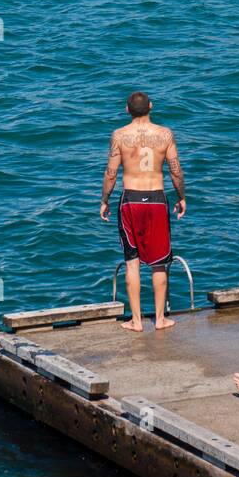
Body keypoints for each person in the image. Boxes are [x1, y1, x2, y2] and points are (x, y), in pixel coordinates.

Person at [100, 91, 185, 331]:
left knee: (132, 263)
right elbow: (176, 171)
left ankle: (136, 321)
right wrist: (181, 197)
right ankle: (159, 319)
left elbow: (111, 173)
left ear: (127, 110)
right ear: (151, 106)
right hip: (157, 200)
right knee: (159, 264)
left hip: (130, 201)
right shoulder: (165, 134)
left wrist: (104, 200)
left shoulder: (119, 135)